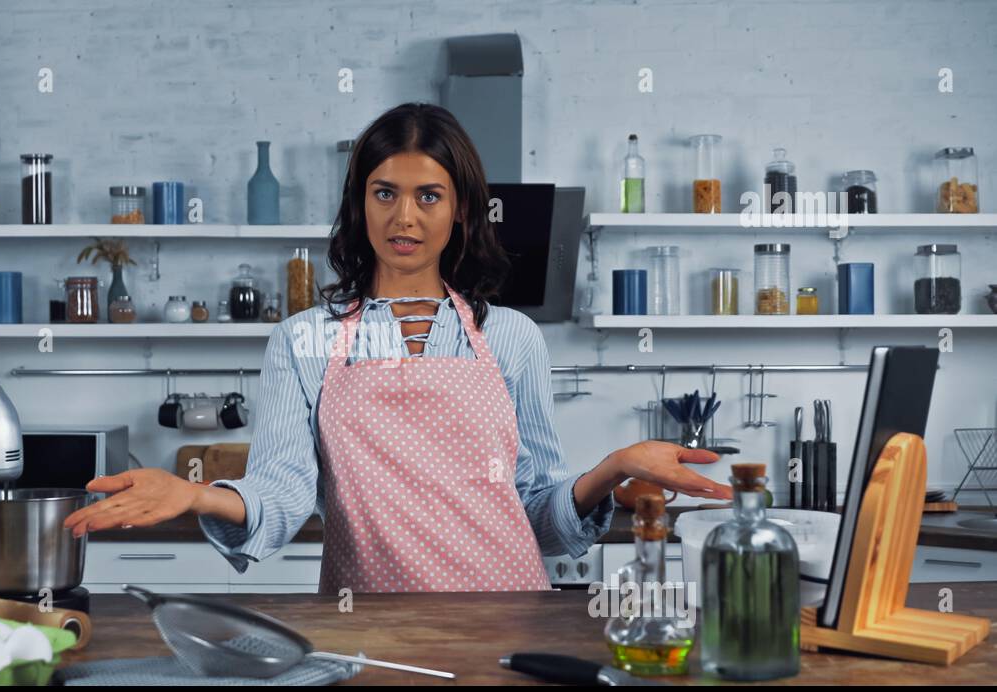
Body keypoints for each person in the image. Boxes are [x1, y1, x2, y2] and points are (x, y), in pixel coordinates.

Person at [64, 102, 731, 592]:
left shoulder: (510, 338)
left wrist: (613, 467)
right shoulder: (304, 340)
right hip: (370, 623)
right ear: (360, 203)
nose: (403, 217)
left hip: (509, 614)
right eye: (384, 192)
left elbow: (539, 513)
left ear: (461, 210)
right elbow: (282, 492)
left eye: (428, 196)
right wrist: (196, 494)